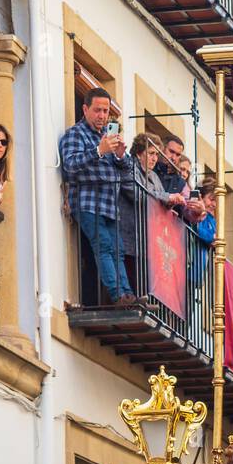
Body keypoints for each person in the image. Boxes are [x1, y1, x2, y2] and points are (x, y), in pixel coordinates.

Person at [59, 86, 136, 307]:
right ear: (85, 109)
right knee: (103, 246)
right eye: (98, 110)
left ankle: (127, 294)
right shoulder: (75, 134)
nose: (102, 116)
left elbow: (126, 170)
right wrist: (99, 151)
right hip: (87, 202)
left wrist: (121, 156)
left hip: (110, 205)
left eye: (106, 111)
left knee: (118, 251)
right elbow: (70, 165)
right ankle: (117, 295)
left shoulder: (107, 136)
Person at [118, 132, 186, 290]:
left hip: (149, 240)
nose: (155, 158)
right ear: (139, 152)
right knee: (132, 279)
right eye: (151, 153)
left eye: (156, 154)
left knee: (145, 285)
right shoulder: (130, 168)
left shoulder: (154, 176)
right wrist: (167, 198)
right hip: (130, 235)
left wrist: (169, 206)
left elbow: (160, 199)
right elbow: (138, 195)